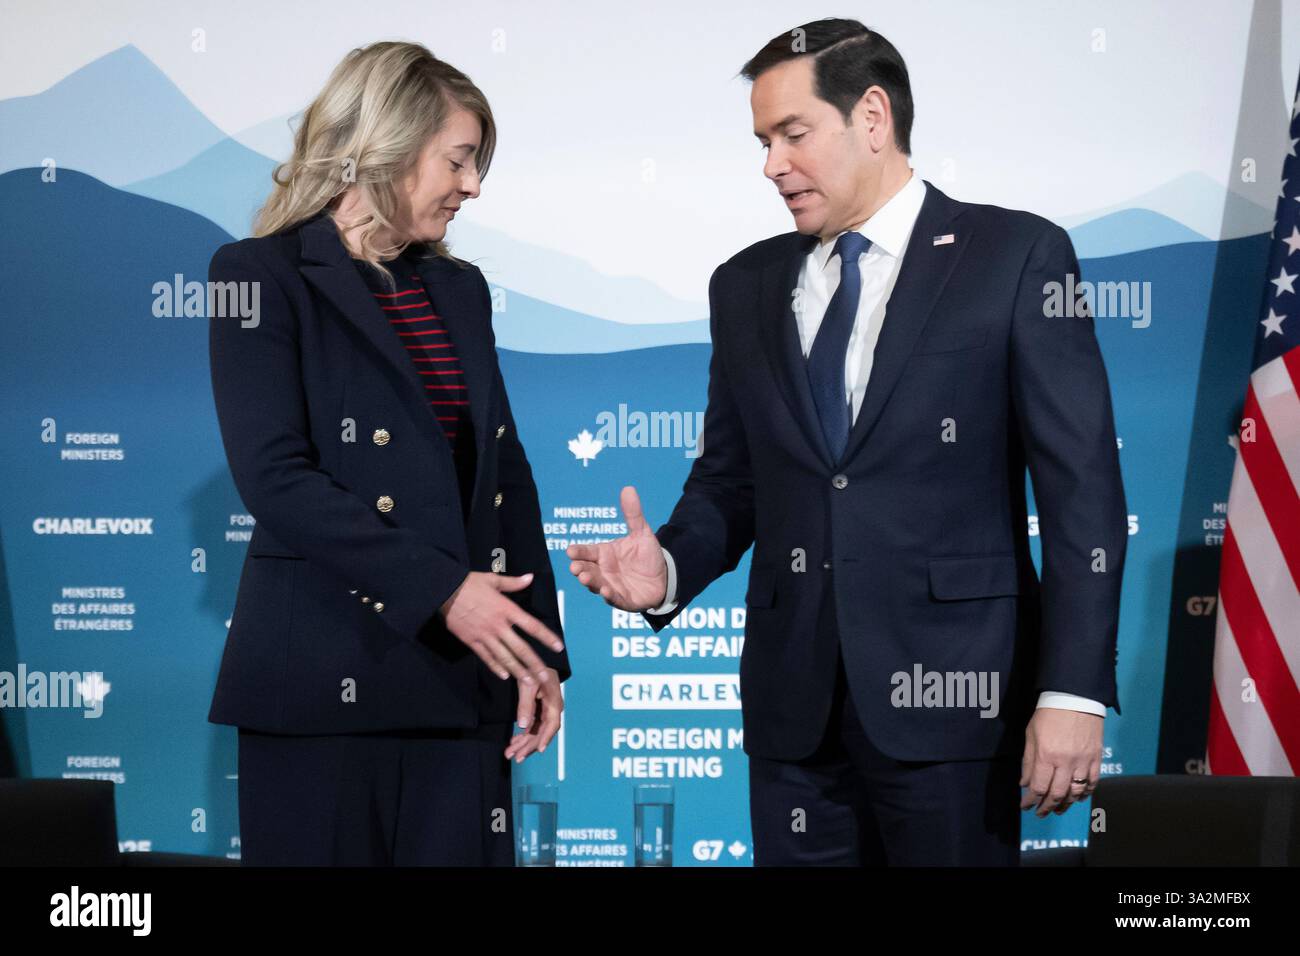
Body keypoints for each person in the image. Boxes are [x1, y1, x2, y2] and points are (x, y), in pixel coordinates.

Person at [566, 19, 1126, 866]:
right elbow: (733, 481)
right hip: (795, 718)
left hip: (954, 704)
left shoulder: (1015, 255)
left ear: (873, 117)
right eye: (761, 141)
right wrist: (671, 569)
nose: (771, 165)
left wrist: (1074, 689)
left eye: (793, 135)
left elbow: (1082, 491)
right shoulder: (744, 284)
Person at [207, 41, 568, 866]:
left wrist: (538, 651)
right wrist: (445, 591)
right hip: (323, 685)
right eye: (460, 160)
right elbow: (277, 478)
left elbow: (504, 477)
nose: (473, 186)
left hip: (459, 683)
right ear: (387, 149)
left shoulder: (460, 288)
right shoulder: (257, 275)